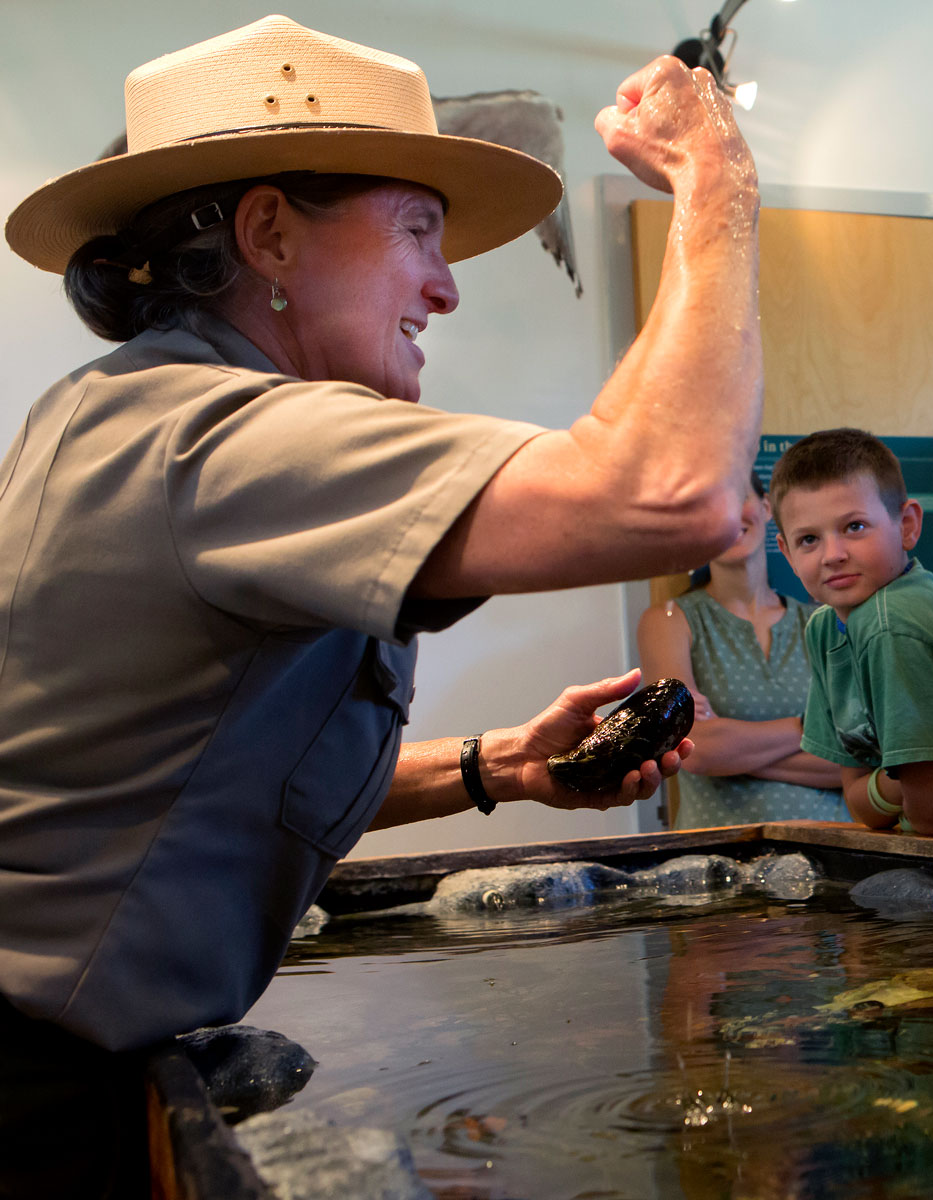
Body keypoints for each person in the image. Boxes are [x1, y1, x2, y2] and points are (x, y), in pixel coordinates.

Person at [0, 16, 762, 1054]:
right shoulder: (218, 435)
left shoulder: (112, 408)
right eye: (416, 230)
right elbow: (674, 494)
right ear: (267, 235)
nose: (445, 286)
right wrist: (718, 183)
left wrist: (495, 766)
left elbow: (189, 788)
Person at [770, 427, 933, 835]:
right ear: (787, 553)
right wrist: (900, 787)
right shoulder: (826, 628)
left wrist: (882, 787)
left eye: (855, 527)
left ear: (907, 525)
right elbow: (857, 802)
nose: (833, 555)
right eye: (809, 539)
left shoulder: (891, 622)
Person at [637, 473, 847, 827]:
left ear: (766, 508)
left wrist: (729, 749)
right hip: (714, 860)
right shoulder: (669, 621)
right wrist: (813, 727)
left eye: (739, 497)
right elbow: (693, 751)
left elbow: (855, 763)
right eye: (710, 507)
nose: (729, 515)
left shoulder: (823, 623)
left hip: (831, 852)